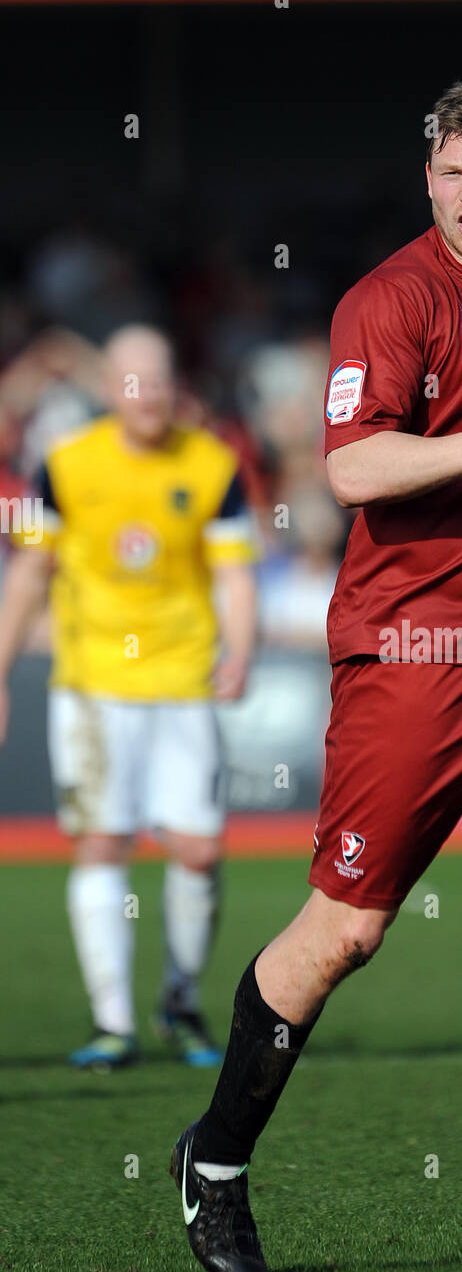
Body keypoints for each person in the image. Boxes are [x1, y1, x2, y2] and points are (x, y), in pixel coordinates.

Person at [169, 79, 462, 1272]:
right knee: (346, 933)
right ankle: (215, 1158)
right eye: (451, 175)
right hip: (411, 654)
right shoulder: (392, 297)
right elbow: (353, 469)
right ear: (427, 178)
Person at [0, 325, 258, 1070]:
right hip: (94, 685)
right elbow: (27, 574)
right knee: (103, 842)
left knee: (200, 851)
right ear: (110, 388)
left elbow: (236, 574)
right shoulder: (66, 464)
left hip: (182, 682)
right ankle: (113, 1023)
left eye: (160, 377)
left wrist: (240, 651)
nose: (147, 394)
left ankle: (179, 999)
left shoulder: (211, 465)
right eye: (132, 380)